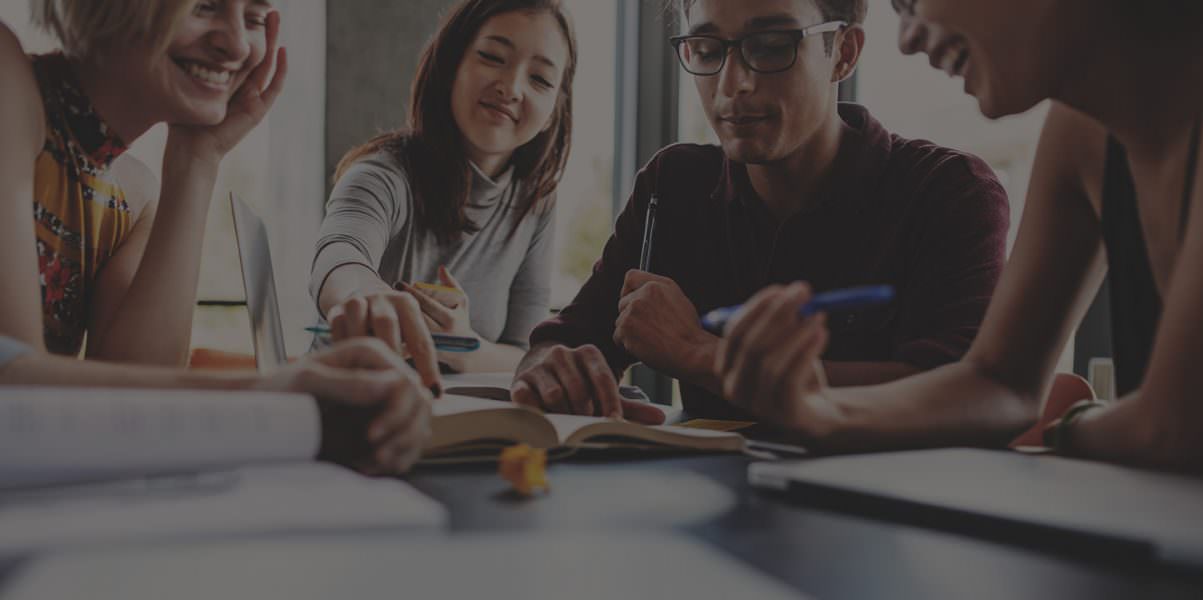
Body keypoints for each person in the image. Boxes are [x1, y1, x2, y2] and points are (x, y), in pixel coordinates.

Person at [718, 0, 1203, 469]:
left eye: (911, 2)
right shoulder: (1081, 133)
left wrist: (1068, 426)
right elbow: (999, 382)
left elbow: (1171, 428)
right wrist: (820, 412)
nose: (907, 40)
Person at [512, 0, 1009, 423]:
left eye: (771, 46)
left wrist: (704, 355)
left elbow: (958, 395)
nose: (733, 85)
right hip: (707, 516)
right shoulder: (675, 184)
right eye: (707, 51)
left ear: (845, 53)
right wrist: (551, 370)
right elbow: (565, 341)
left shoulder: (949, 193)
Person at [0, 0, 431, 474]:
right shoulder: (6, 71)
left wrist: (197, 160)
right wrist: (274, 394)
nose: (238, 44)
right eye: (204, 6)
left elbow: (136, 413)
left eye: (253, 17)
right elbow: (13, 387)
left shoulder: (135, 192)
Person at [311, 0, 576, 377]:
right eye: (491, 56)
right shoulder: (381, 174)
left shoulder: (536, 203)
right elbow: (338, 256)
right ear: (450, 64)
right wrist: (369, 297)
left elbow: (527, 354)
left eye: (540, 79)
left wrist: (464, 346)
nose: (511, 87)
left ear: (555, 107)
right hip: (350, 403)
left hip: (456, 420)